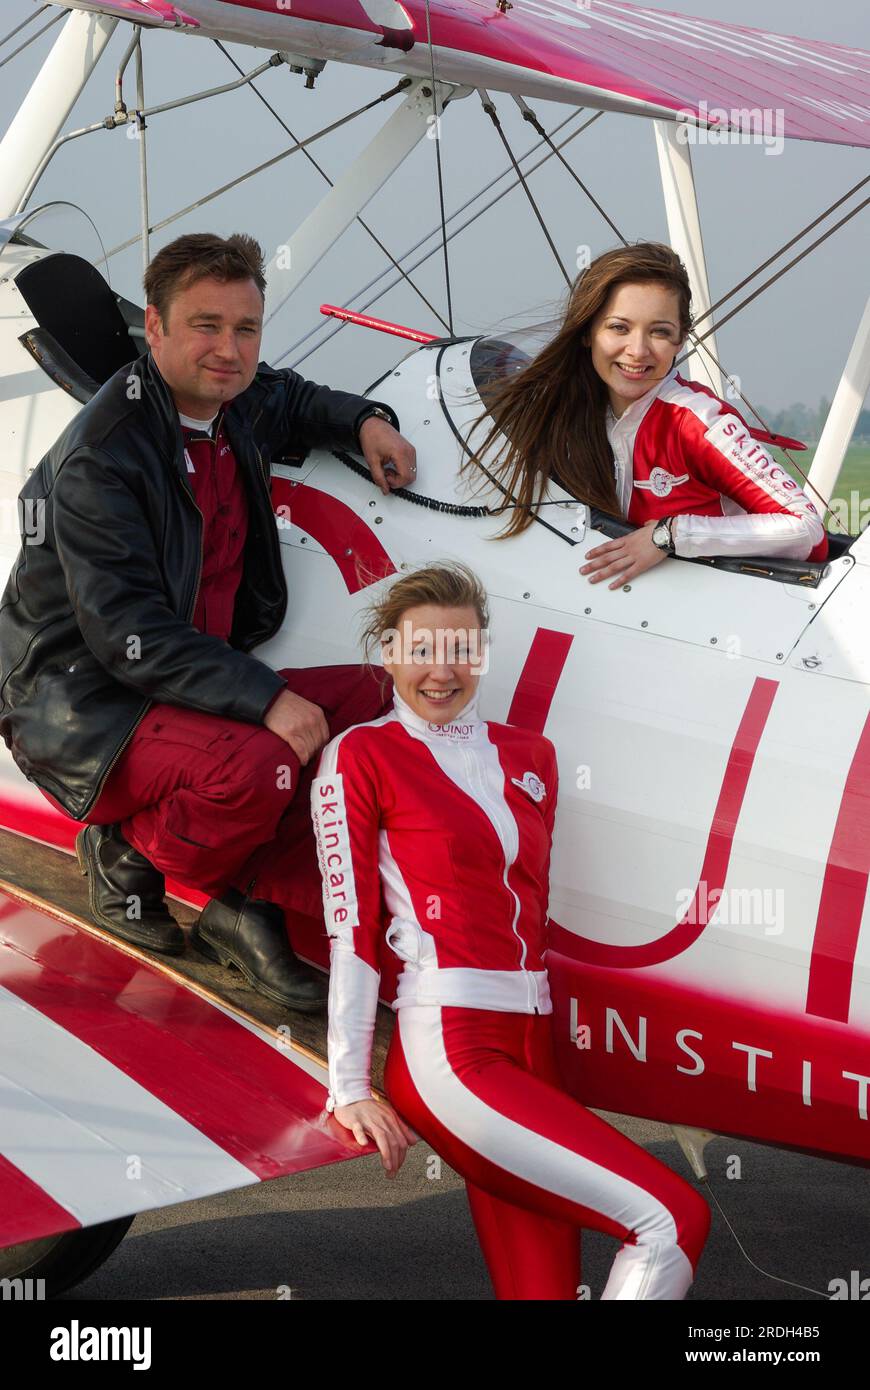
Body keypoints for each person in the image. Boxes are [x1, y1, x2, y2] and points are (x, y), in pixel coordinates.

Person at [0, 231, 416, 1010]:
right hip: (87, 701)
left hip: (181, 682)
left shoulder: (235, 398)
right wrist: (264, 697)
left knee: (374, 698)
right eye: (205, 326)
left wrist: (365, 421)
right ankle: (125, 854)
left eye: (245, 328)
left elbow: (291, 398)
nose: (228, 350)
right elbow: (129, 635)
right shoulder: (104, 457)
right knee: (260, 765)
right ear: (153, 328)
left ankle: (241, 901)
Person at [309, 561, 711, 1299]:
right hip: (451, 1050)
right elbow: (353, 928)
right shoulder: (360, 755)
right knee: (669, 1219)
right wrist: (348, 1084)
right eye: (422, 650)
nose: (442, 670)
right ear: (389, 655)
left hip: (535, 1042)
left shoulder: (532, 757)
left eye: (461, 649)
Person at [467, 242, 827, 589]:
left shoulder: (697, 421)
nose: (637, 351)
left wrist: (669, 535)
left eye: (659, 332)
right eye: (619, 328)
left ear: (680, 340)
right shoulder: (568, 410)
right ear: (588, 332)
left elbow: (808, 530)